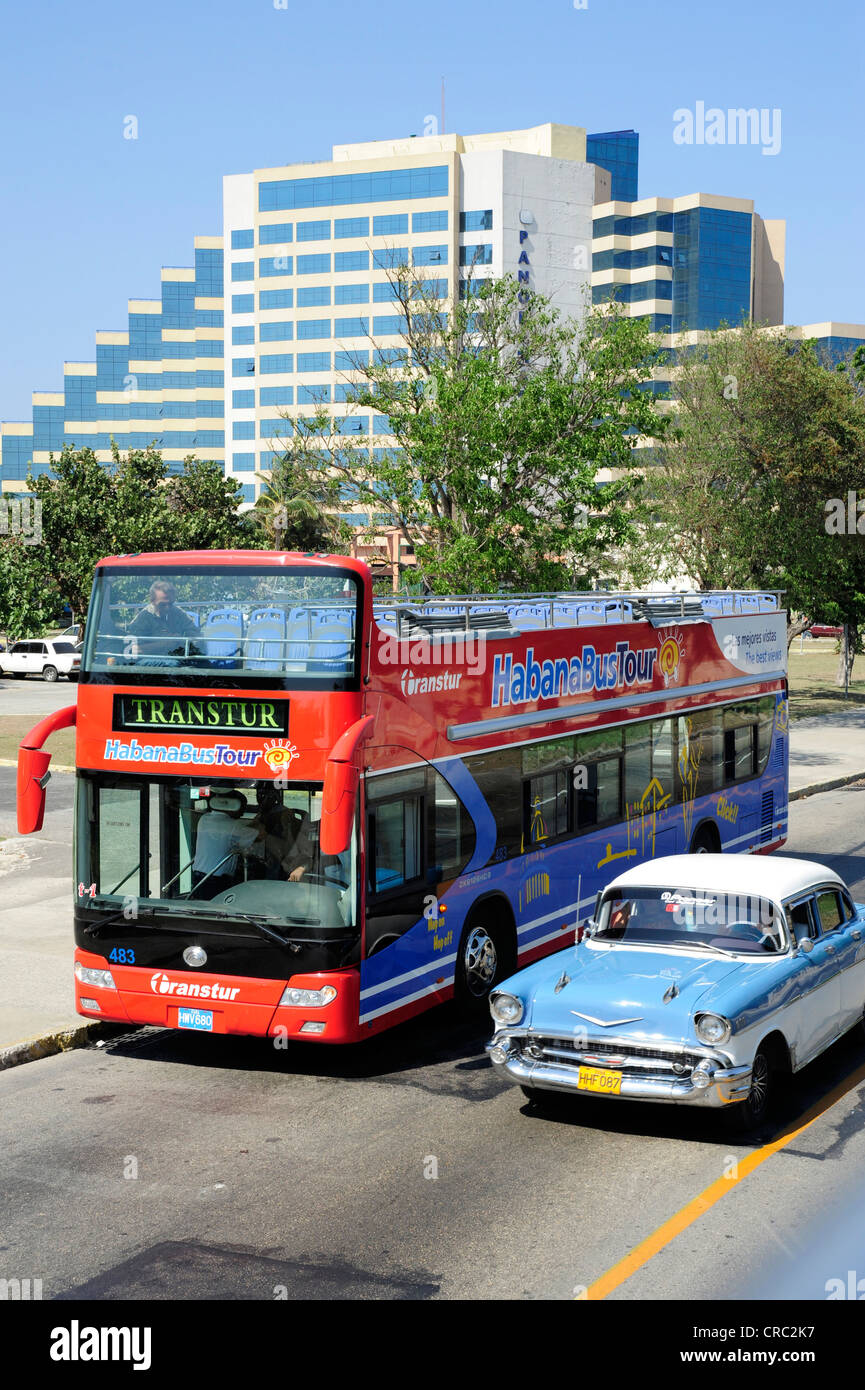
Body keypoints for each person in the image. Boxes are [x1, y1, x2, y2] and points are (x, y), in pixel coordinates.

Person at [191, 791, 260, 898]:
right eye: (241, 808)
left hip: (198, 878)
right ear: (230, 805)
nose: (242, 813)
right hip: (216, 882)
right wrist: (262, 818)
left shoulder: (204, 819)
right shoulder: (233, 825)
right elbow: (259, 835)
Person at [251, 781, 313, 882]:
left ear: (275, 797)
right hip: (265, 853)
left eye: (266, 795)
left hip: (281, 854)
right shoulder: (262, 814)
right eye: (260, 795)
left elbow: (290, 837)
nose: (262, 799)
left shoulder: (284, 813)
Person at [125, 580, 199, 662]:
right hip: (150, 662)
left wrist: (181, 641)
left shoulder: (179, 613)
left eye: (170, 603)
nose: (167, 608)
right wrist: (164, 644)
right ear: (152, 601)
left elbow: (196, 637)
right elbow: (132, 650)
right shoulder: (142, 618)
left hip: (177, 657)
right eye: (162, 604)